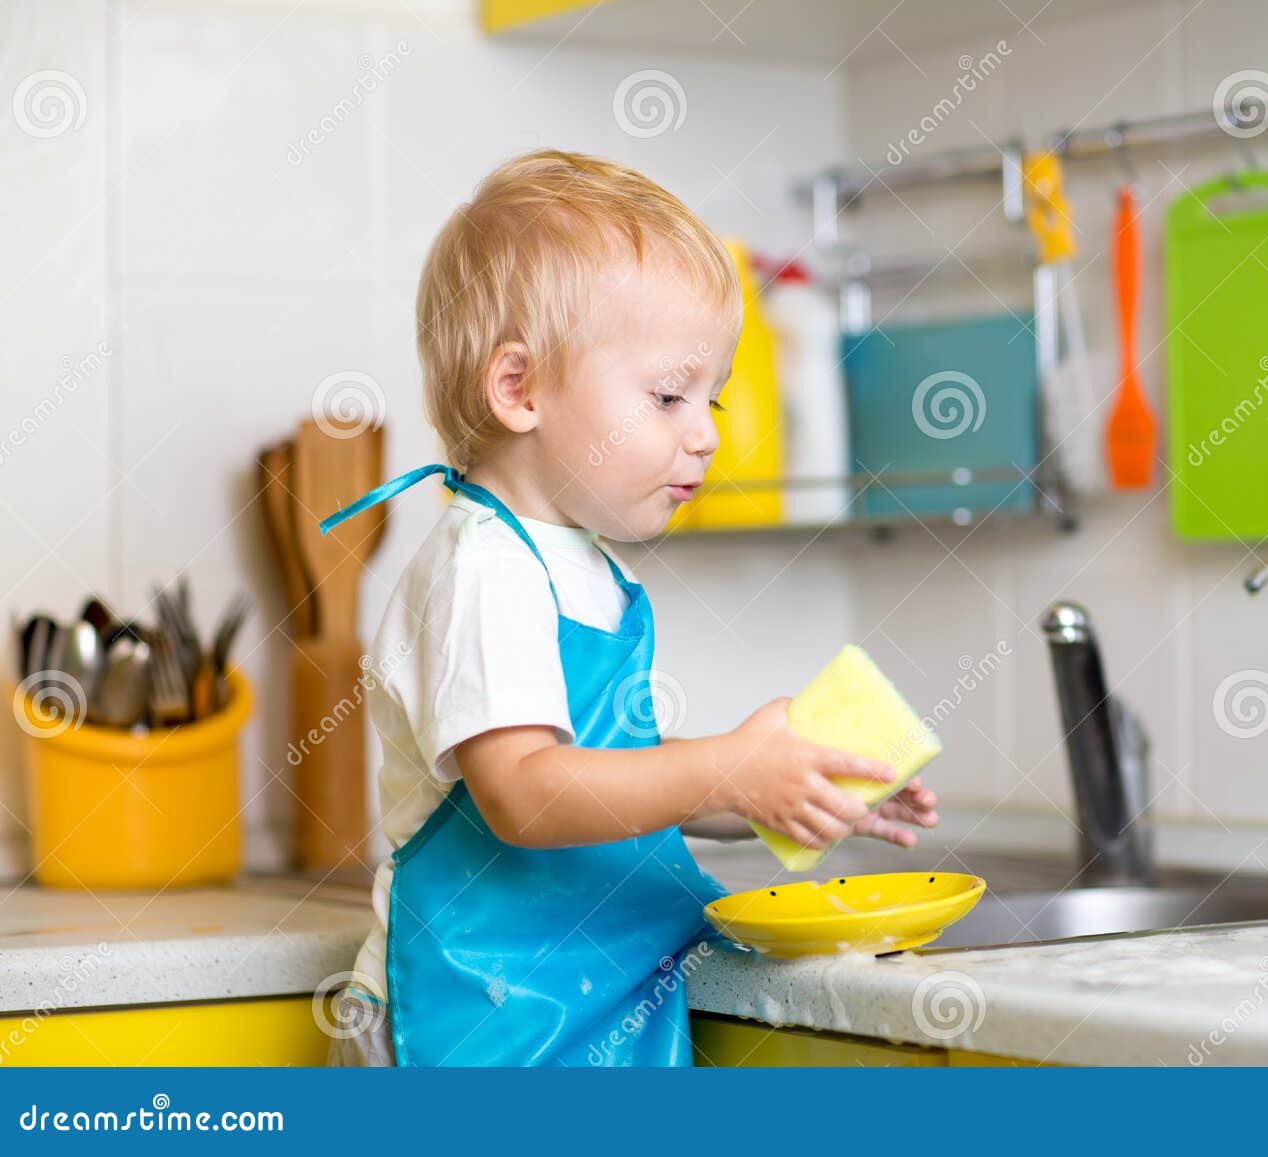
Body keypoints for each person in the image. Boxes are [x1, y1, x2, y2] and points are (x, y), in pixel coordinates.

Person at [319, 150, 938, 1067]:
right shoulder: (484, 566)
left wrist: (784, 787)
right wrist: (725, 769)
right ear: (519, 388)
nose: (709, 432)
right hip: (473, 1020)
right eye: (668, 395)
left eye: (713, 396)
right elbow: (528, 795)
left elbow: (617, 791)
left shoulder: (587, 571)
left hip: (587, 1013)